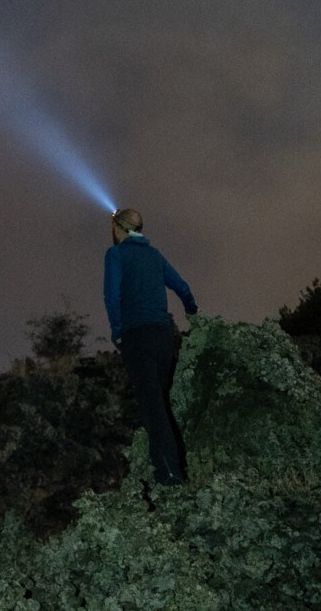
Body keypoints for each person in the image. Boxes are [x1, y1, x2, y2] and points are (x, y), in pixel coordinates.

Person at [104, 207, 197, 485]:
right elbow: (181, 286)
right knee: (162, 403)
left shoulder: (116, 255)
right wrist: (192, 310)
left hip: (137, 335)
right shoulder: (154, 255)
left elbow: (111, 295)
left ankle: (170, 474)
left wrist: (117, 330)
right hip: (163, 335)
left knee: (152, 407)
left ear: (119, 228)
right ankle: (176, 466)